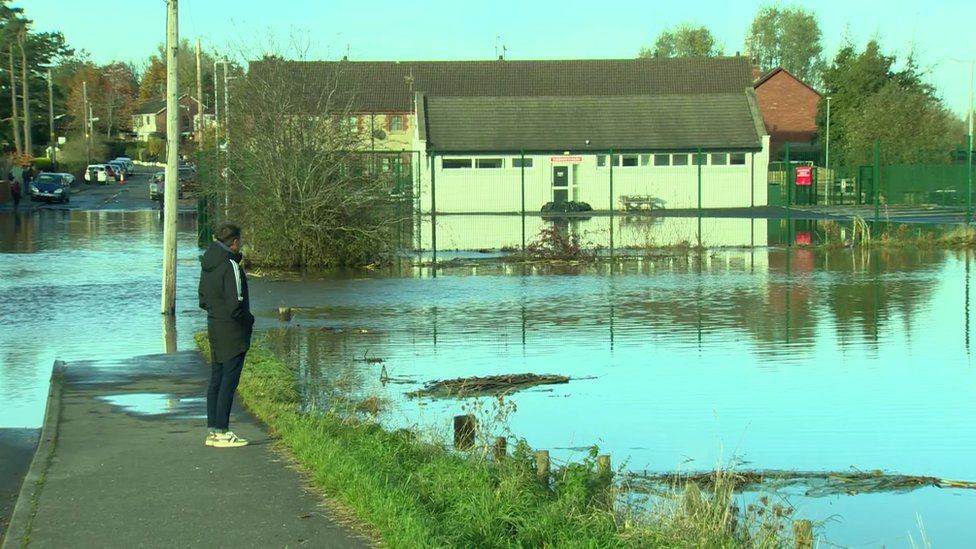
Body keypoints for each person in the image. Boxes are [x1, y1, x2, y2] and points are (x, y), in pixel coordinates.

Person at [198, 223, 255, 448]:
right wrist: (249, 321)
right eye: (240, 240)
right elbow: (237, 303)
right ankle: (222, 432)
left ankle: (213, 430)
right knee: (228, 383)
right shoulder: (231, 265)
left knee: (217, 379)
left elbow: (203, 299)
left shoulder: (208, 263)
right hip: (232, 331)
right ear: (234, 242)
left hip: (215, 326)